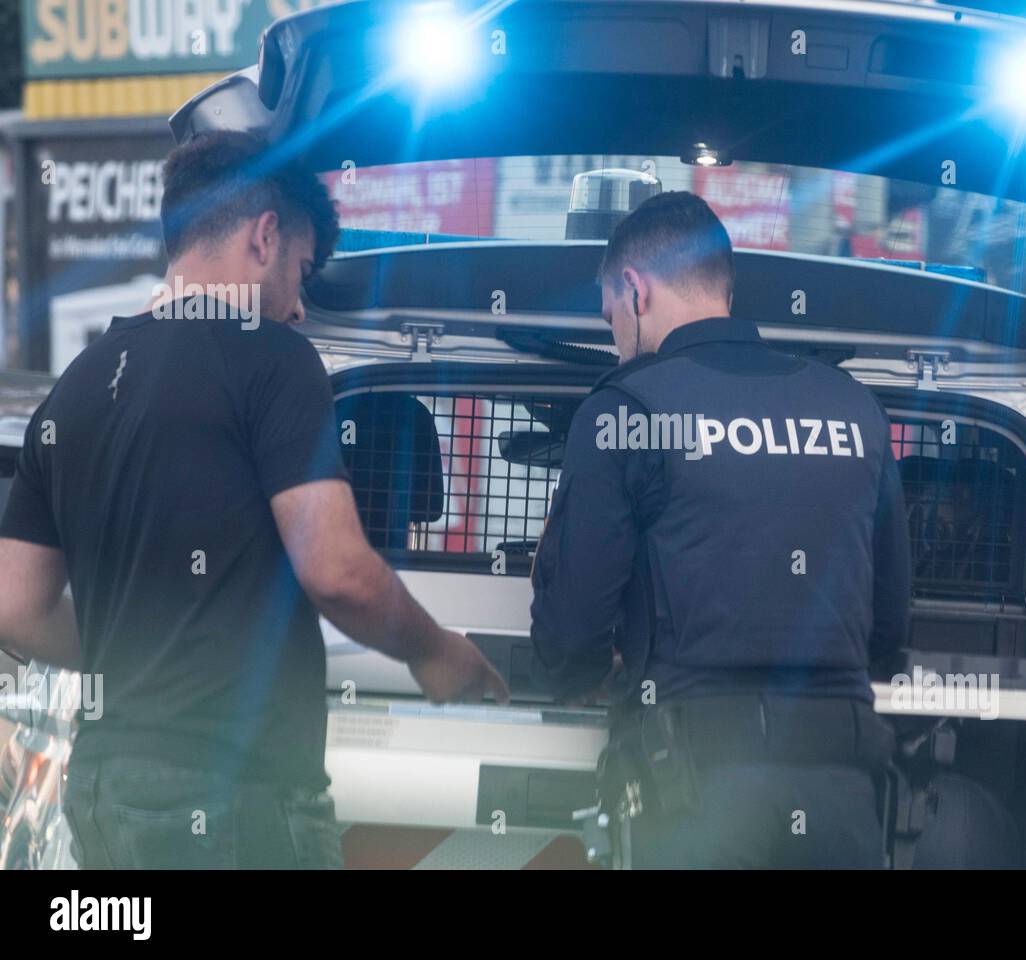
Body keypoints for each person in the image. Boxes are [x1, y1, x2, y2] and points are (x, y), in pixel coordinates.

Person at [0, 131, 506, 869]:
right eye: (303, 271)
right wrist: (437, 653)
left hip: (106, 791)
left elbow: (16, 606)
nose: (300, 308)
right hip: (232, 794)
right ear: (265, 236)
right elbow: (334, 568)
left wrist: (134, 647)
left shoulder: (77, 384)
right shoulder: (272, 359)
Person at [529, 190, 911, 868]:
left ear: (634, 289)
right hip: (842, 798)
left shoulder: (627, 408)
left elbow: (572, 637)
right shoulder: (855, 409)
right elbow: (889, 633)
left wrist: (583, 665)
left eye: (611, 316)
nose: (616, 340)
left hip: (693, 801)